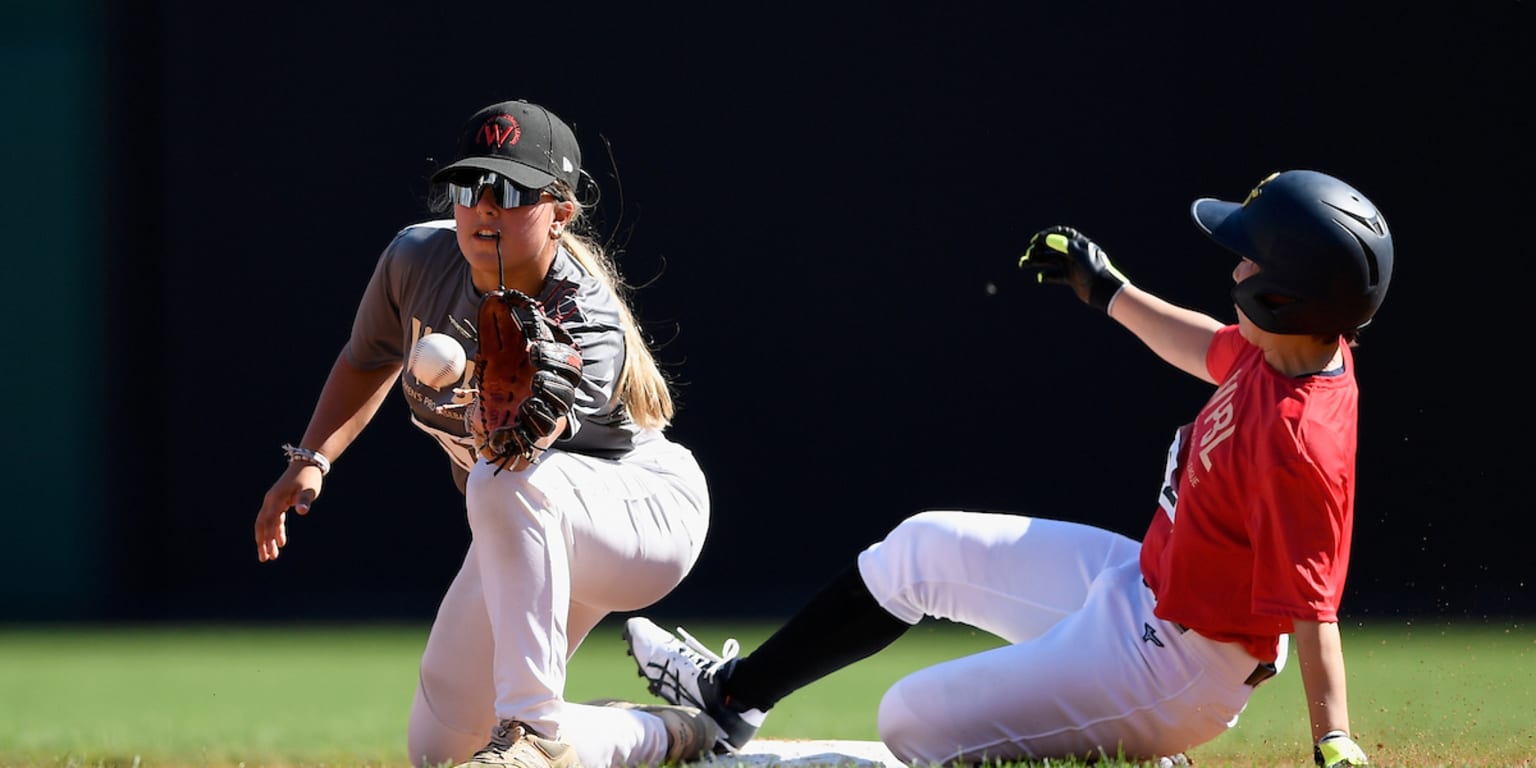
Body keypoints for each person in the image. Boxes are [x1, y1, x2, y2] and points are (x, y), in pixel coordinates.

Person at [622, 169, 1389, 767]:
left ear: (1288, 293)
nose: (1236, 266)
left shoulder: (1301, 441)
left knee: (909, 722)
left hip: (1182, 667)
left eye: (1252, 255)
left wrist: (1335, 741)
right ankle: (733, 702)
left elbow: (1314, 612)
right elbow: (1207, 347)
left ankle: (1139, 751)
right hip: (1144, 590)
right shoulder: (1288, 349)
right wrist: (1110, 291)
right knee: (919, 546)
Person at [253, 99, 720, 768]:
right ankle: (666, 733)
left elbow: (534, 439)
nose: (484, 207)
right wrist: (312, 458)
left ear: (560, 209)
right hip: (531, 523)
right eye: (471, 186)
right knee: (440, 749)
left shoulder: (583, 312)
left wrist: (507, 406)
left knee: (503, 475)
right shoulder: (418, 258)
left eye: (511, 189)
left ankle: (533, 732)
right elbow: (367, 357)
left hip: (643, 514)